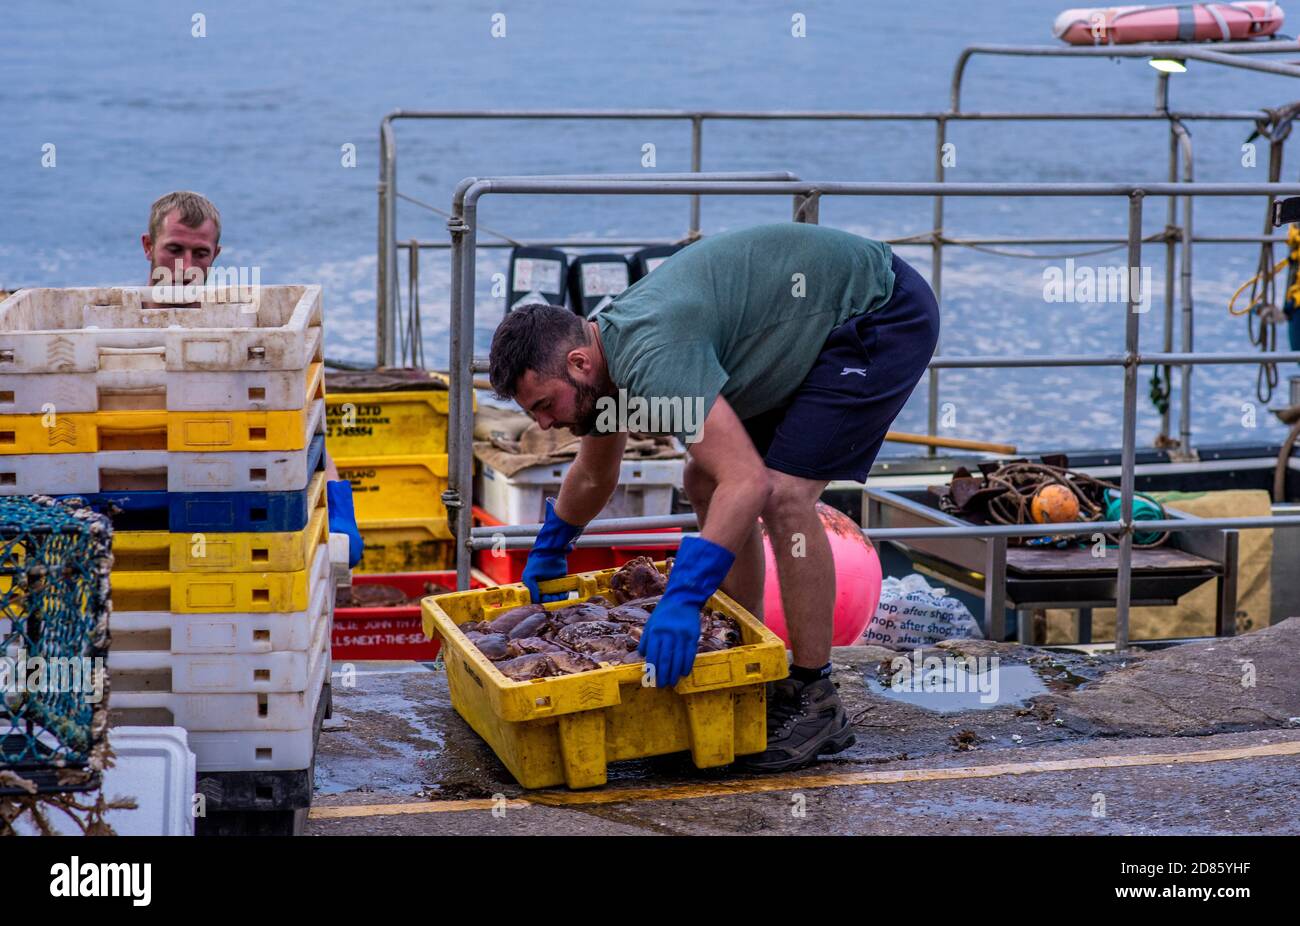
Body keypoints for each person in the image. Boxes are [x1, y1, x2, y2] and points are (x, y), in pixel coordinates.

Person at [488, 222, 939, 772]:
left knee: (783, 496)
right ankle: (753, 663)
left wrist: (684, 596)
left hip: (875, 311)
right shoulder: (601, 370)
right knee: (702, 478)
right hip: (796, 327)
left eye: (543, 404)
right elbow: (593, 474)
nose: (544, 423)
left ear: (579, 363)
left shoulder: (651, 355)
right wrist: (552, 544)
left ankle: (816, 698)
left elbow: (748, 482)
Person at [140, 191, 363, 567]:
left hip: (235, 500)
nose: (185, 267)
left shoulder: (244, 335)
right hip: (140, 498)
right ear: (148, 246)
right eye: (173, 249)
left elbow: (300, 425)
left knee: (345, 548)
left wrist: (340, 508)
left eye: (200, 254)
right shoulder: (109, 331)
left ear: (216, 256)